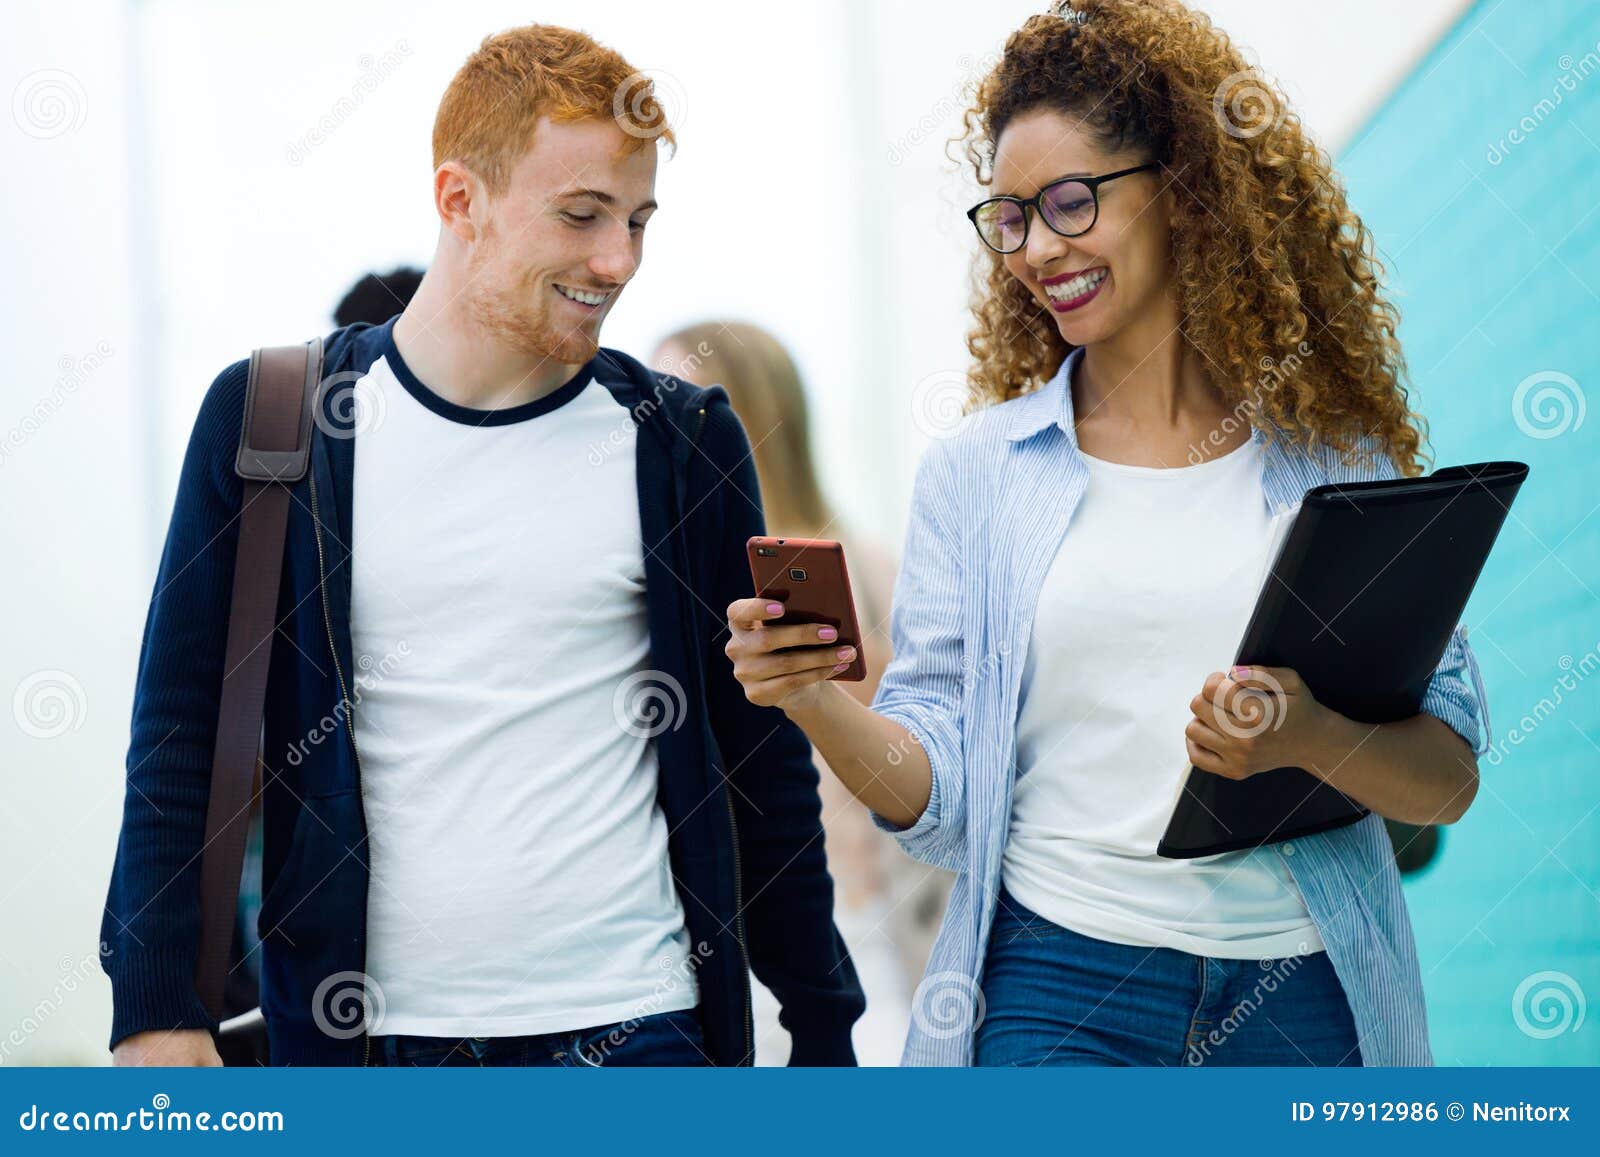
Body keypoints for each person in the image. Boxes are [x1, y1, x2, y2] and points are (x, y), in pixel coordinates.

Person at [724, 0, 1491, 1068]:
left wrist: (1309, 735)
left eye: (1070, 202)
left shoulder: (1337, 459)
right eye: (1010, 217)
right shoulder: (978, 474)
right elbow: (938, 805)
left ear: (1180, 189)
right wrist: (811, 697)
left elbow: (1447, 778)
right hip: (1058, 988)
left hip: (1302, 996)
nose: (1037, 247)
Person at [102, 23, 863, 1068]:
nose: (619, 260)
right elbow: (178, 729)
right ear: (459, 199)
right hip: (366, 1047)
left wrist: (823, 1026)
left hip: (639, 1035)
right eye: (583, 215)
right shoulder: (270, 421)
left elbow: (760, 761)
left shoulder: (683, 444)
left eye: (639, 220)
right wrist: (152, 1003)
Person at [653, 322, 952, 1064]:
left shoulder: (864, 571)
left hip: (847, 911)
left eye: (683, 398)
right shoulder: (667, 579)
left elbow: (907, 755)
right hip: (706, 916)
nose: (662, 423)